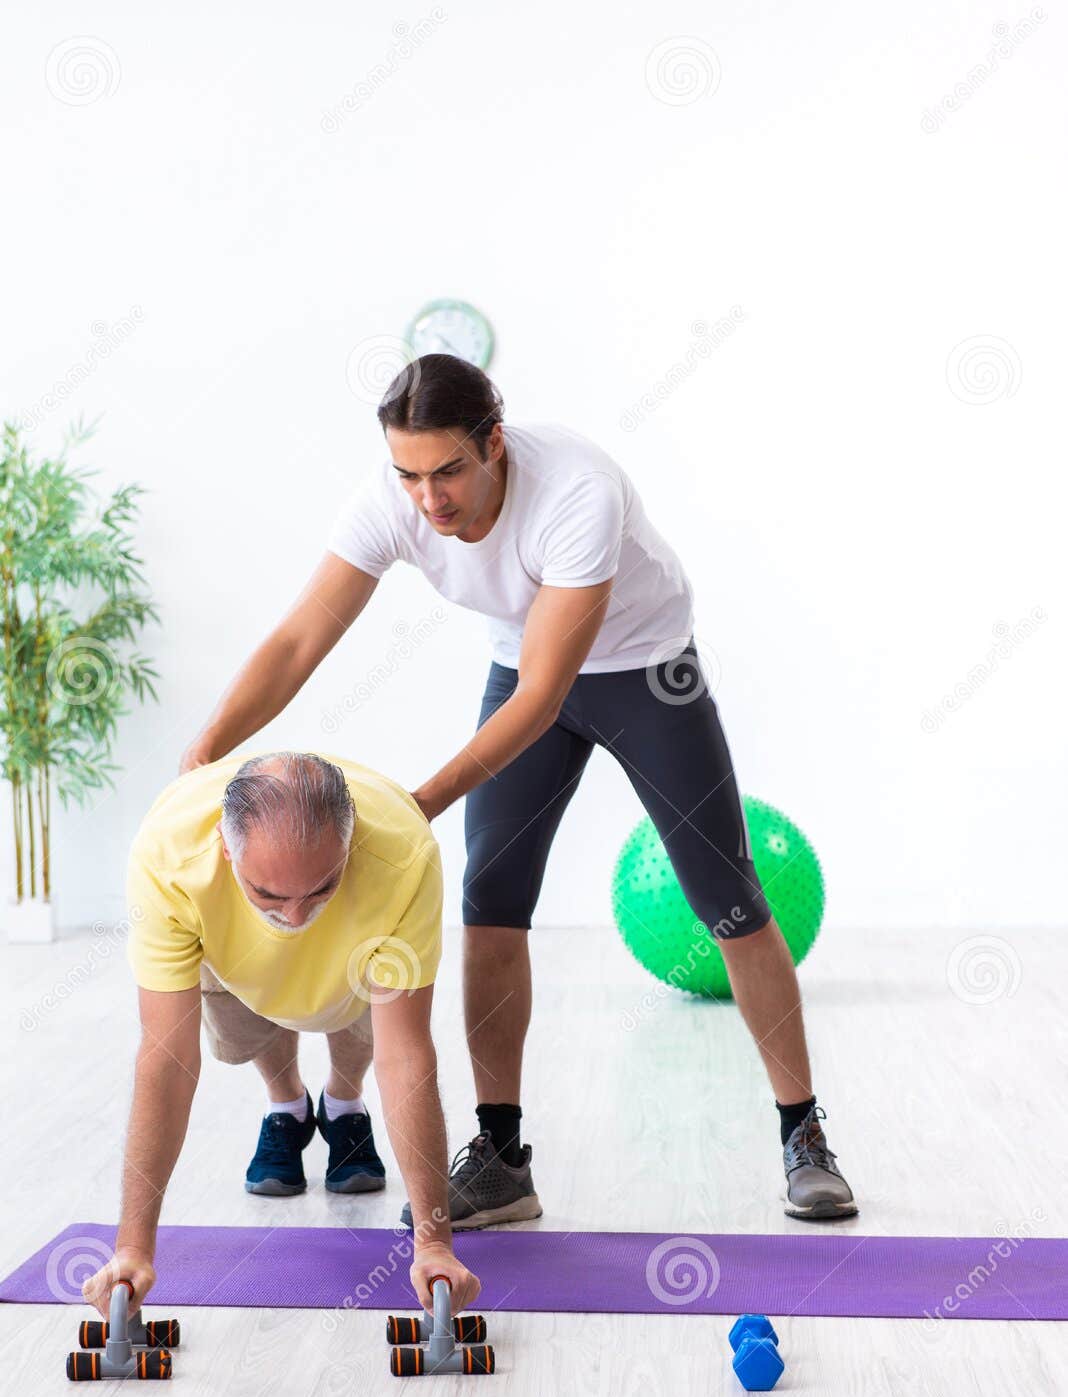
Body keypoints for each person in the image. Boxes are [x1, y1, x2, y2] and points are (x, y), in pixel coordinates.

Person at [180, 354, 858, 1228]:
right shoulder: (397, 496)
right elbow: (298, 640)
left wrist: (416, 803)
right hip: (521, 668)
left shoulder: (577, 491)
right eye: (410, 476)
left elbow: (546, 696)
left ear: (494, 443)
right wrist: (202, 756)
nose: (429, 499)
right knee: (490, 902)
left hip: (645, 675)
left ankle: (804, 1136)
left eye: (449, 471)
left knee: (726, 895)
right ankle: (501, 1157)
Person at [81, 750, 480, 1320]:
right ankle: (287, 1107)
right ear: (224, 844)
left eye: (321, 889)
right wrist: (133, 1247)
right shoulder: (167, 856)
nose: (295, 918)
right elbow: (166, 1056)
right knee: (245, 1029)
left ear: (352, 842)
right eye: (270, 896)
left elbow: (406, 1055)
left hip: (354, 966)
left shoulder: (403, 857)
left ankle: (344, 1104)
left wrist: (434, 1244)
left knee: (366, 1021)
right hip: (235, 965)